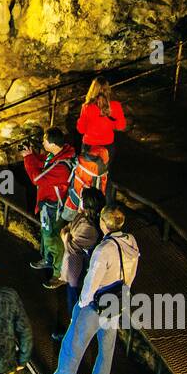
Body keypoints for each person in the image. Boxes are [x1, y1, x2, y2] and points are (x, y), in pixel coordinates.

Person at [46, 206, 140, 374]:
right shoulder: (131, 240)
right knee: (107, 346)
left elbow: (92, 281)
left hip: (96, 304)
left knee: (73, 344)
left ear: (103, 223)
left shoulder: (103, 249)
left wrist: (81, 304)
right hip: (117, 301)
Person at [46, 186, 106, 339]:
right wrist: (67, 235)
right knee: (73, 302)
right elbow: (67, 232)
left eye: (82, 200)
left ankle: (75, 335)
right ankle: (76, 331)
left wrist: (66, 236)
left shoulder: (89, 227)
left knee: (75, 303)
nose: (80, 201)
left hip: (77, 271)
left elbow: (69, 242)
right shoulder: (83, 218)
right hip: (74, 267)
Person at [22, 127, 77, 282]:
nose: (42, 143)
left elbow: (37, 178)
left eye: (45, 141)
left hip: (54, 206)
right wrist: (32, 155)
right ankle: (48, 259)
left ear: (52, 144)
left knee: (54, 238)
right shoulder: (59, 153)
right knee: (47, 235)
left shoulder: (61, 167)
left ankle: (58, 274)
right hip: (48, 203)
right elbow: (45, 162)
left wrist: (28, 158)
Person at [76, 76, 127, 165]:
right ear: (108, 90)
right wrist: (111, 124)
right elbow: (121, 126)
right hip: (107, 146)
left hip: (89, 145)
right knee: (104, 173)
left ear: (93, 90)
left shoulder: (86, 107)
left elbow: (81, 130)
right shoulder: (115, 105)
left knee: (88, 174)